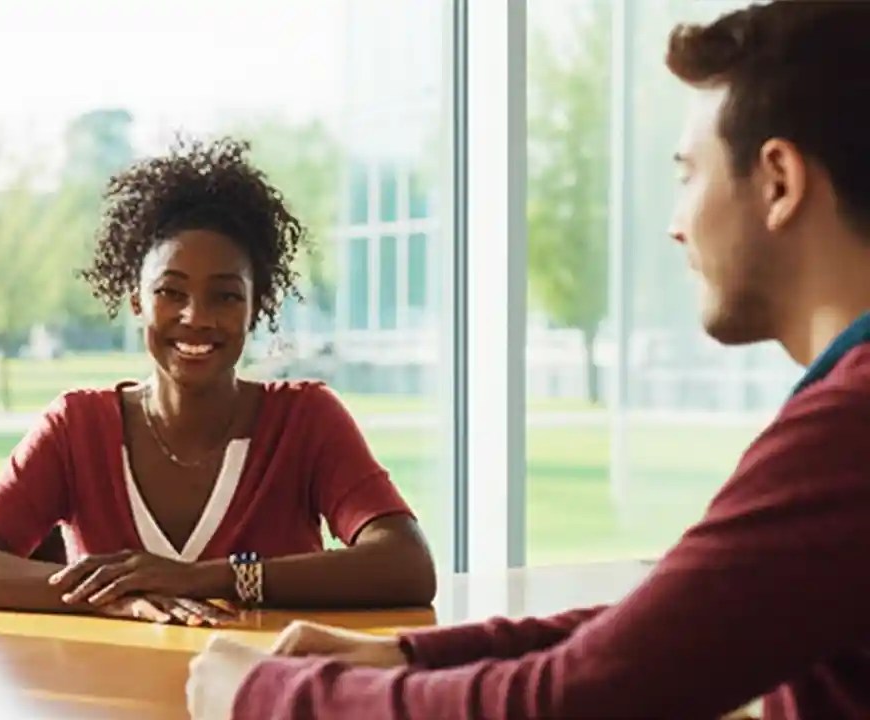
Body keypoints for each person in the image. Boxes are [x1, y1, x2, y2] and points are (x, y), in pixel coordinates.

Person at [188, 2, 870, 717]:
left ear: (779, 182)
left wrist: (263, 695)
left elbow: (579, 698)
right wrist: (410, 654)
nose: (675, 224)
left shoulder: (849, 429)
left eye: (688, 174)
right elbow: (687, 624)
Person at [0, 137, 436, 626]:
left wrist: (202, 579)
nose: (196, 317)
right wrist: (117, 597)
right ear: (136, 299)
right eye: (170, 292)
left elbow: (406, 563)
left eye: (226, 296)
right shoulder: (77, 428)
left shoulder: (306, 421)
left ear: (256, 307)